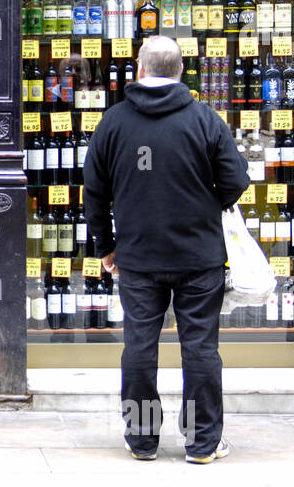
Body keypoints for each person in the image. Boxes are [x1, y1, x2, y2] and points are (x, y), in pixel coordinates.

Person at [83, 35, 250, 463]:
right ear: (179, 72)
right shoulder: (205, 119)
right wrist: (200, 202)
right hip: (199, 256)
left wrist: (106, 246)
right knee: (200, 348)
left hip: (137, 257)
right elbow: (235, 182)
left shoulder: (114, 122)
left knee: (139, 347)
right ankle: (202, 443)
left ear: (139, 70)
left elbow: (94, 191)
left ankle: (142, 440)